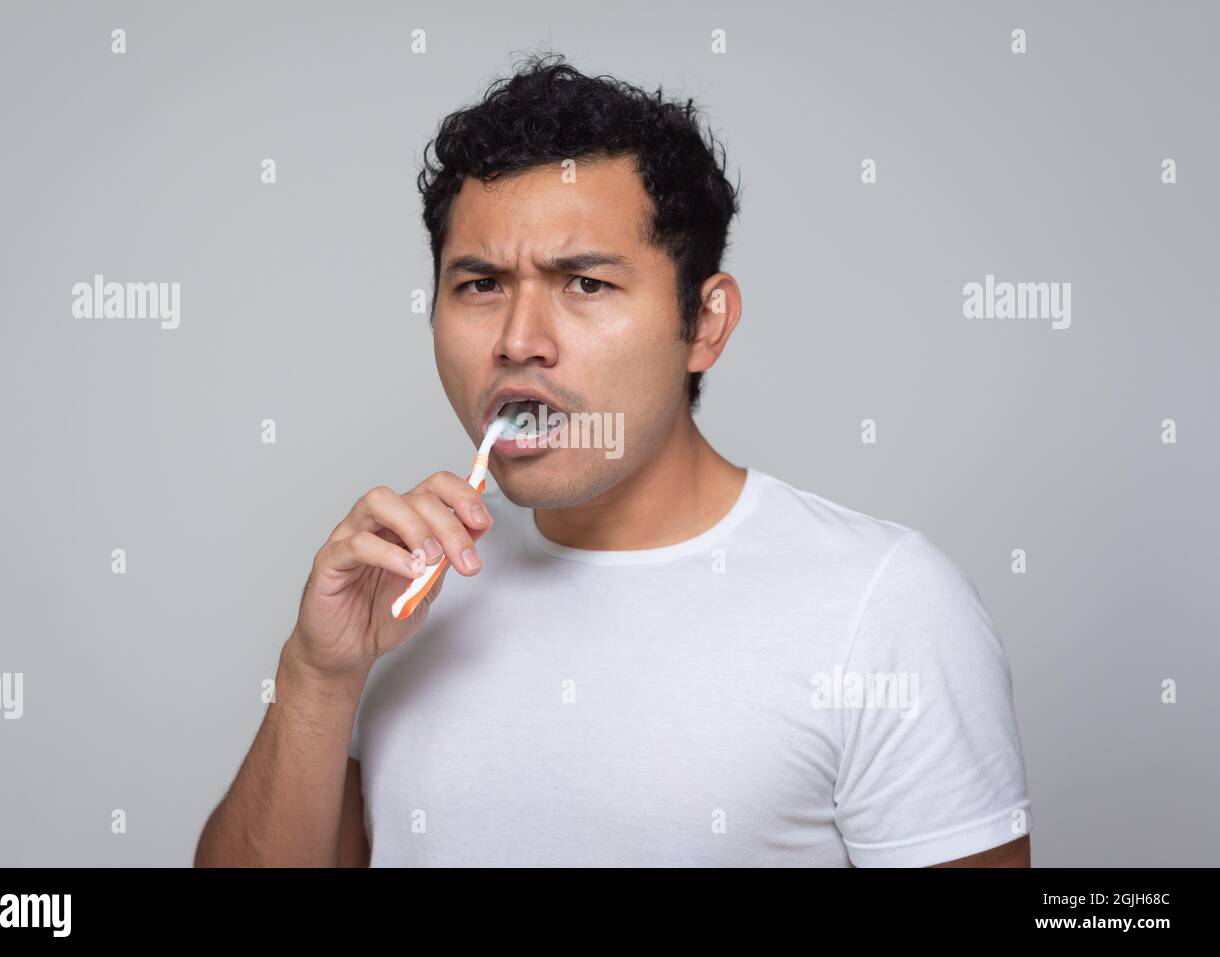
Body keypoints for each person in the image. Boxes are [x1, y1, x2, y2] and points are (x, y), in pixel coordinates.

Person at [194, 52, 1031, 867]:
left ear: (704, 323)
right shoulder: (407, 595)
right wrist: (317, 676)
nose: (519, 341)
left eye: (585, 284)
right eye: (480, 284)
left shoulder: (883, 605)